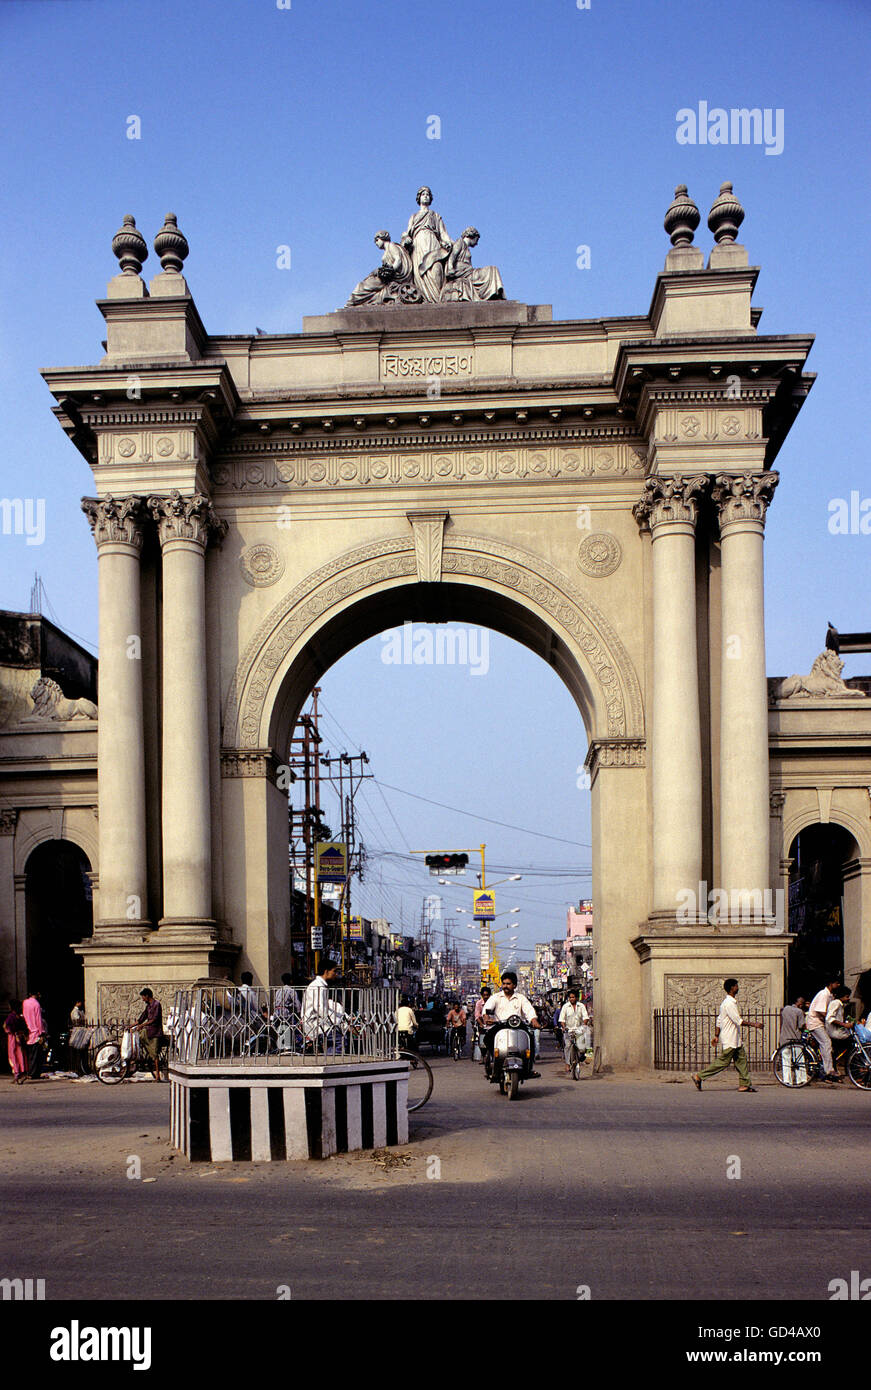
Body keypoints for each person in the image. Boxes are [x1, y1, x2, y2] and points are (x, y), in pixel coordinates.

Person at [692, 979, 763, 1093]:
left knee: (742, 1060)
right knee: (723, 1062)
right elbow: (738, 1020)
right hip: (730, 1038)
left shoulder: (727, 1003)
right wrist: (755, 1024)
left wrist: (716, 1035)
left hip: (735, 1039)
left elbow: (719, 1020)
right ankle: (699, 1076)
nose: (738, 988)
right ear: (732, 988)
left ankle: (744, 1084)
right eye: (736, 986)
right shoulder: (729, 1003)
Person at [482, 972, 541, 1079]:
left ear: (514, 985)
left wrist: (534, 1020)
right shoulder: (496, 997)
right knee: (487, 1038)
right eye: (504, 984)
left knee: (531, 1041)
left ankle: (529, 1068)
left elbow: (529, 1011)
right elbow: (486, 1010)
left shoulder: (521, 998)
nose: (505, 986)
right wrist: (487, 1018)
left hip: (518, 1026)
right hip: (500, 1026)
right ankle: (493, 1060)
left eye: (508, 984)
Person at [401, 186, 453, 302]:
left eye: (428, 194)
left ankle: (438, 299)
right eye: (423, 194)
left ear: (430, 198)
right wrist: (406, 239)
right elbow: (406, 233)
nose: (425, 196)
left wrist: (449, 243)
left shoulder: (435, 216)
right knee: (420, 272)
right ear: (419, 198)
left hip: (433, 243)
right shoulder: (414, 217)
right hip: (418, 245)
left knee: (436, 269)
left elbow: (443, 234)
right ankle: (424, 300)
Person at [444, 227, 505, 302]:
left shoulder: (466, 247)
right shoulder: (460, 243)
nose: (476, 243)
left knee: (493, 269)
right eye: (476, 240)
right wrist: (450, 269)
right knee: (492, 270)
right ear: (471, 236)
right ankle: (493, 294)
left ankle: (494, 294)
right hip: (463, 273)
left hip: (469, 271)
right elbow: (452, 256)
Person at [805, 978, 844, 1083]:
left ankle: (826, 1070)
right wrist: (832, 1019)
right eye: (836, 983)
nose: (838, 985)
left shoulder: (830, 995)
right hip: (815, 1023)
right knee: (826, 1042)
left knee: (828, 1046)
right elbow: (821, 1011)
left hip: (821, 1023)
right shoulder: (823, 994)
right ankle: (828, 1070)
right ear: (831, 984)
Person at [302, 960, 346, 1052]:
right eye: (334, 971)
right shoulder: (318, 987)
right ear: (326, 971)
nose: (336, 974)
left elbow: (326, 1006)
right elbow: (321, 1008)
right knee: (339, 1041)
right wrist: (337, 1022)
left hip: (321, 1021)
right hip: (315, 1022)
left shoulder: (321, 986)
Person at [558, 989, 591, 1075]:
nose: (572, 999)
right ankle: (567, 1064)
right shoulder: (565, 1007)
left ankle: (584, 1056)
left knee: (583, 1045)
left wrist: (584, 1026)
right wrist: (564, 1027)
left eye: (573, 997)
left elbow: (585, 1017)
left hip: (579, 1029)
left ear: (576, 997)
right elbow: (562, 1019)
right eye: (570, 997)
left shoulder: (581, 1006)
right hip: (568, 1030)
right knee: (568, 1046)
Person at [136, 988, 164, 1082]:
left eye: (143, 997)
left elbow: (154, 1019)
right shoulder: (148, 1006)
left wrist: (142, 1025)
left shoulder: (156, 1005)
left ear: (147, 996)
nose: (142, 999)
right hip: (148, 1031)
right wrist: (132, 1025)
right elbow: (142, 1017)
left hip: (155, 1032)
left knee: (155, 1054)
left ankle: (158, 1077)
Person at [826, 985, 855, 1075]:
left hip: (837, 1031)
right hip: (834, 1032)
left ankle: (840, 1066)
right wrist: (845, 1025)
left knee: (837, 1052)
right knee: (851, 1044)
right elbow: (830, 1018)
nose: (848, 999)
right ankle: (848, 1069)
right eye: (847, 997)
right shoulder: (836, 1003)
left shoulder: (840, 1004)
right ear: (841, 996)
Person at [21, 989, 47, 1081]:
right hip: (36, 1032)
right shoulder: (36, 1004)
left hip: (28, 1031)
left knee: (30, 1054)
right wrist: (42, 1032)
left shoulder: (25, 1003)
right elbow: (38, 1020)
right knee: (36, 1055)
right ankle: (33, 1073)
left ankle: (30, 1072)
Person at [272, 972, 300, 1052]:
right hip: (285, 1012)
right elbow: (297, 1004)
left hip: (276, 1013)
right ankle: (287, 1047)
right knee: (287, 1029)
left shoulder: (278, 991)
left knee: (280, 1030)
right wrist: (299, 1013)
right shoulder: (291, 991)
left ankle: (281, 1046)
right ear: (291, 981)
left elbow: (274, 1002)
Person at [4, 1000, 29, 1084]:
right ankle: (22, 1072)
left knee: (13, 1055)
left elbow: (7, 1027)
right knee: (21, 1055)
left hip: (12, 1038)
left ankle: (17, 1073)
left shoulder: (11, 1016)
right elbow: (25, 1027)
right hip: (20, 1037)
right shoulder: (20, 1017)